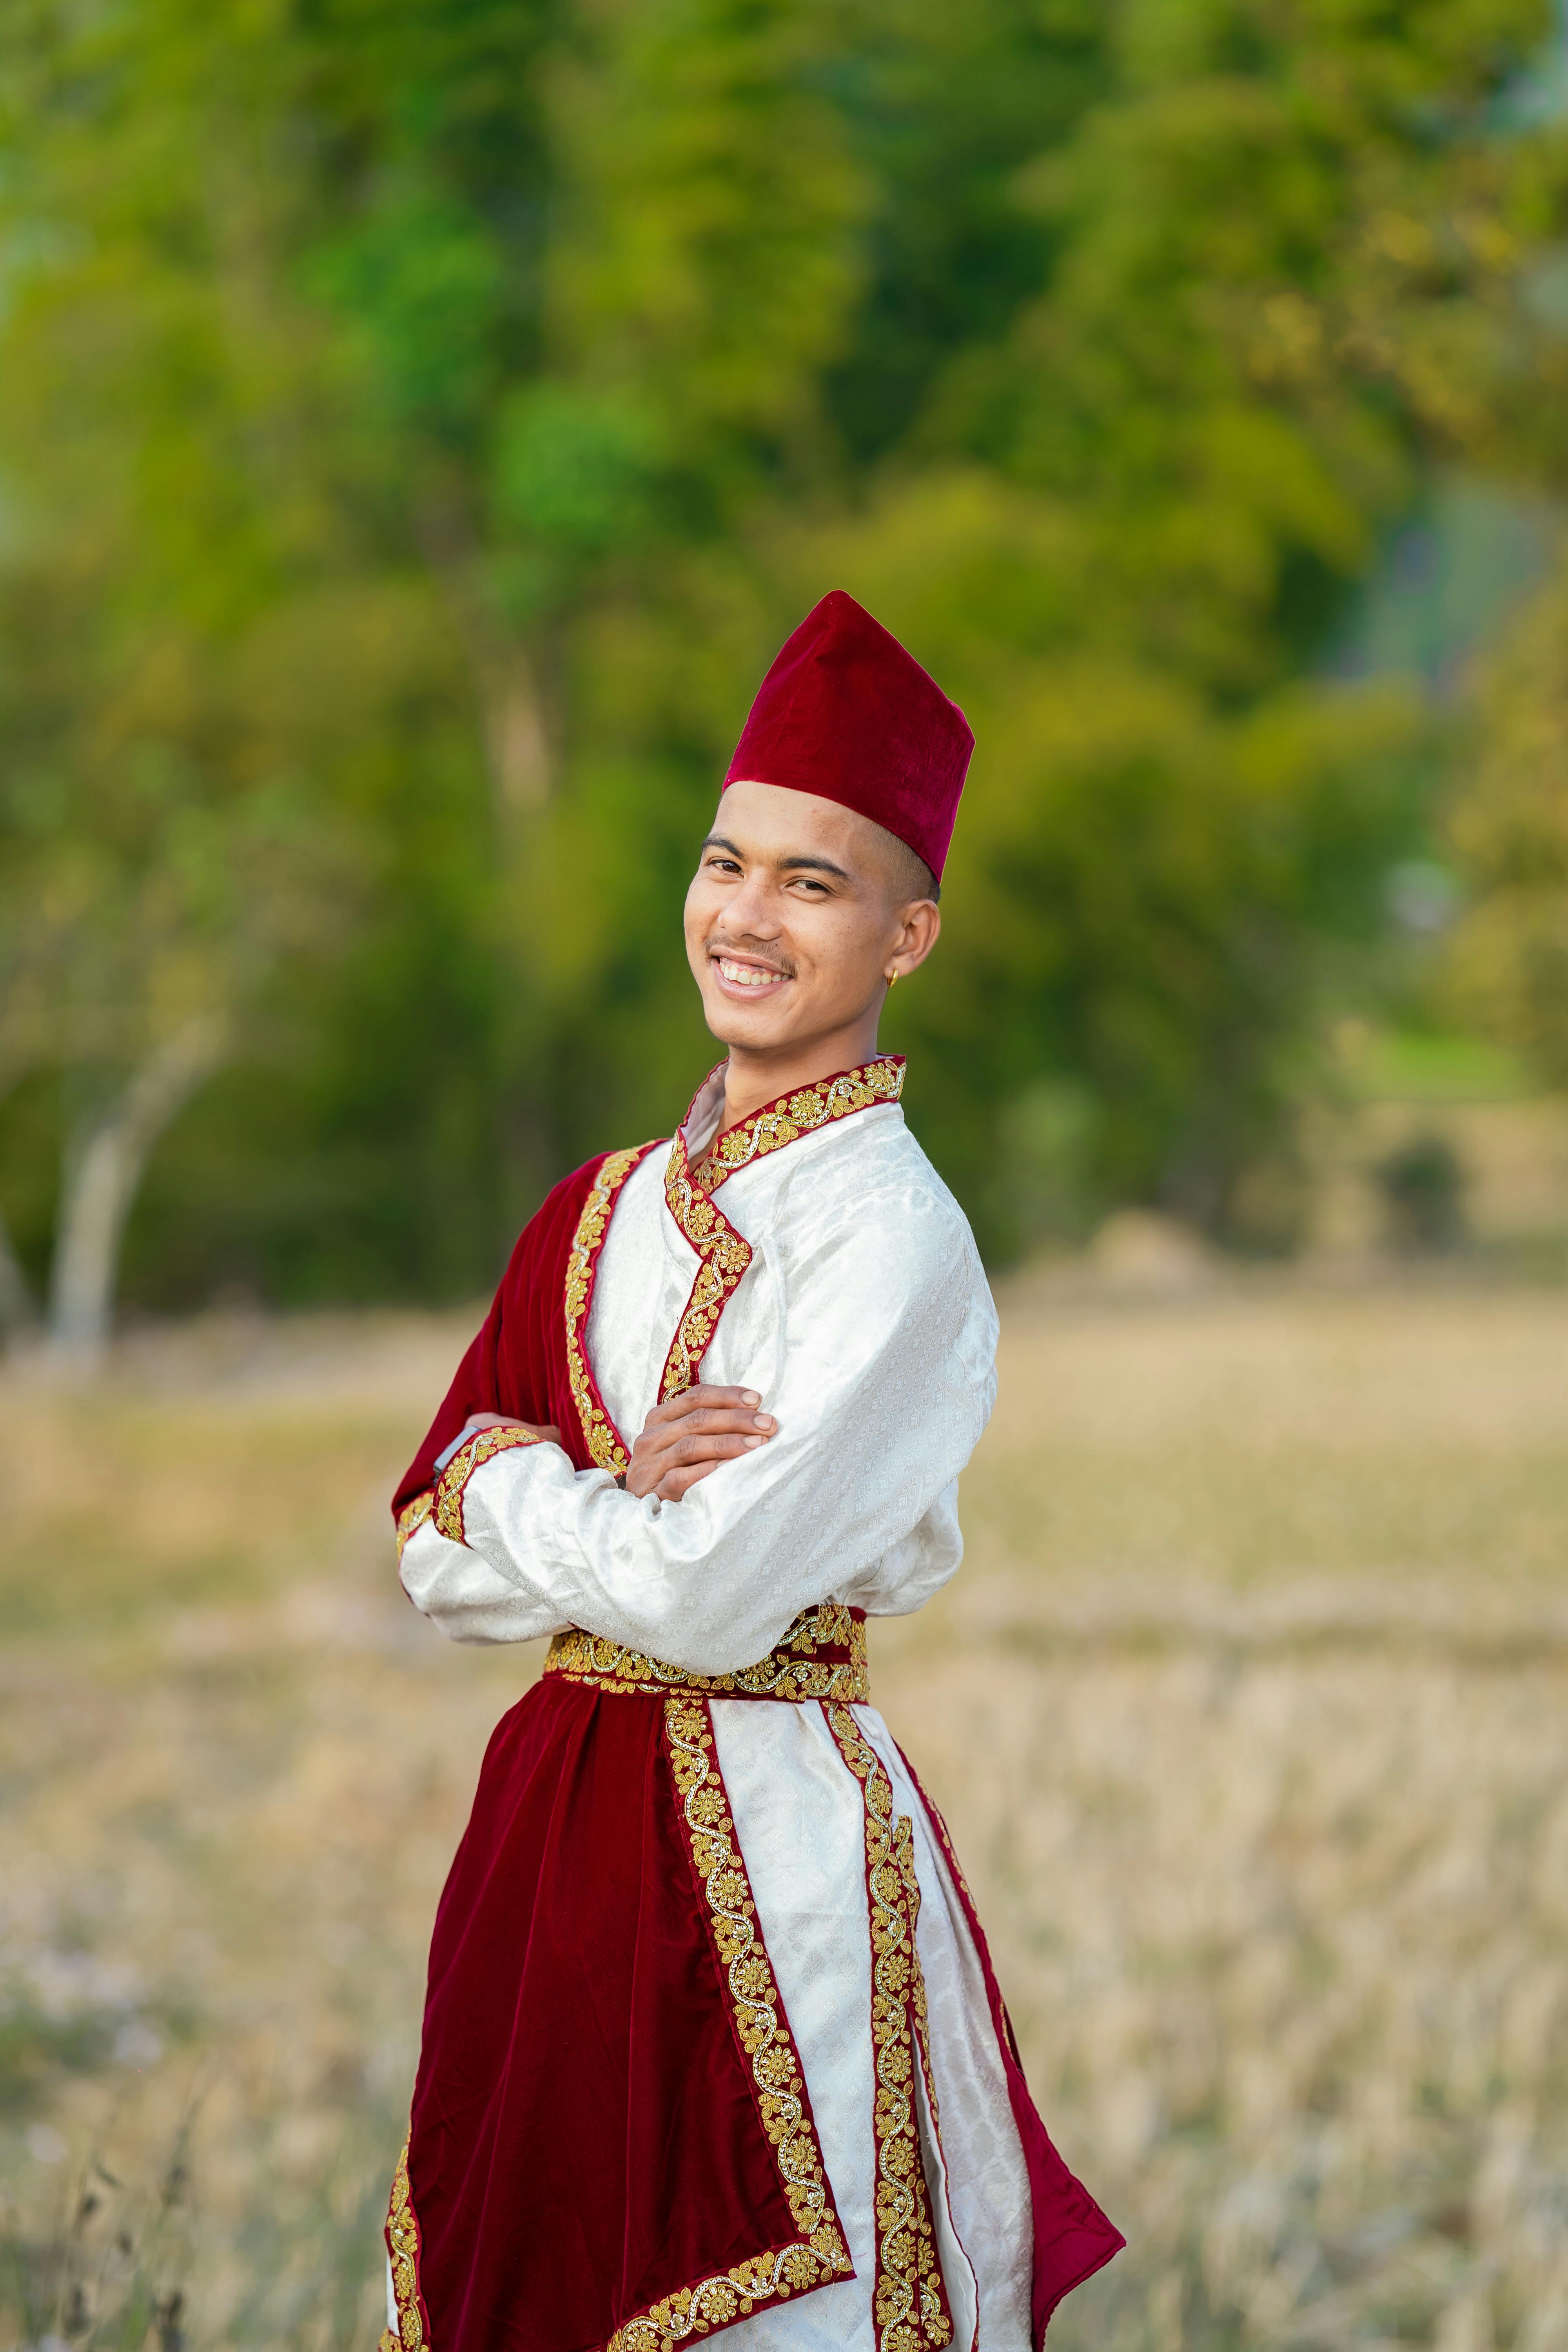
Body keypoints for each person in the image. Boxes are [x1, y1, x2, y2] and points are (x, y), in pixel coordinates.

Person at [381, 591, 1122, 2352]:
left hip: (771, 1867)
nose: (747, 917)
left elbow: (710, 1605)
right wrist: (612, 1494)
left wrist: (527, 1487)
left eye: (814, 883)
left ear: (907, 936)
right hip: (549, 1850)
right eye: (729, 865)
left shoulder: (895, 1246)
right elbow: (424, 1558)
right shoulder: (593, 1208)